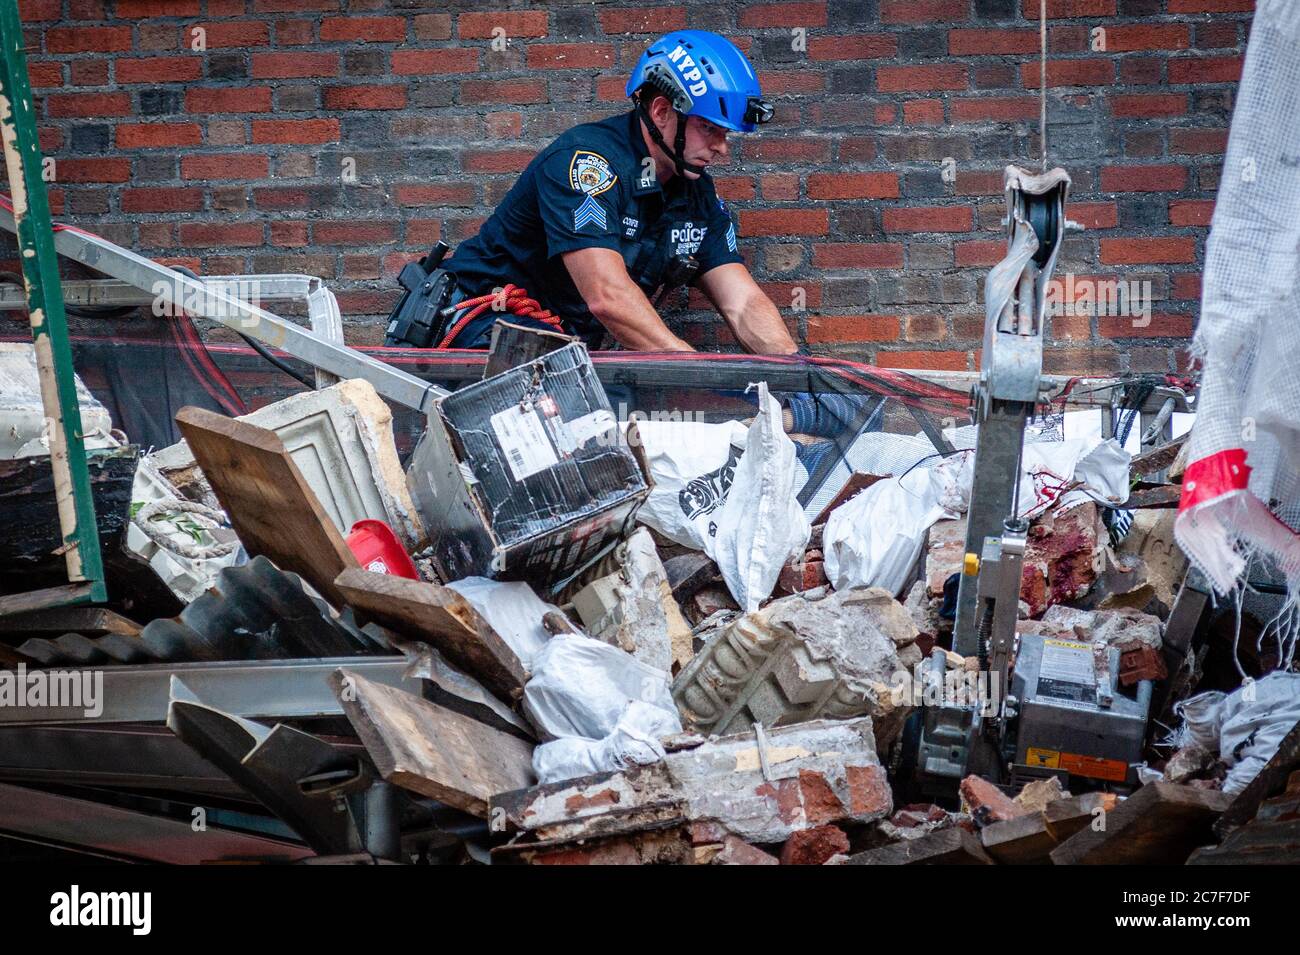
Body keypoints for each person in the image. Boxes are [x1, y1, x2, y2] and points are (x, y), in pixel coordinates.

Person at [425, 30, 799, 354]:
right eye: (709, 128)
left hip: (559, 349)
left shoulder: (696, 194)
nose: (722, 147)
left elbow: (743, 302)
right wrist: (692, 365)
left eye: (726, 133)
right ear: (661, 111)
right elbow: (608, 296)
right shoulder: (585, 164)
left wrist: (801, 378)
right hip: (473, 330)